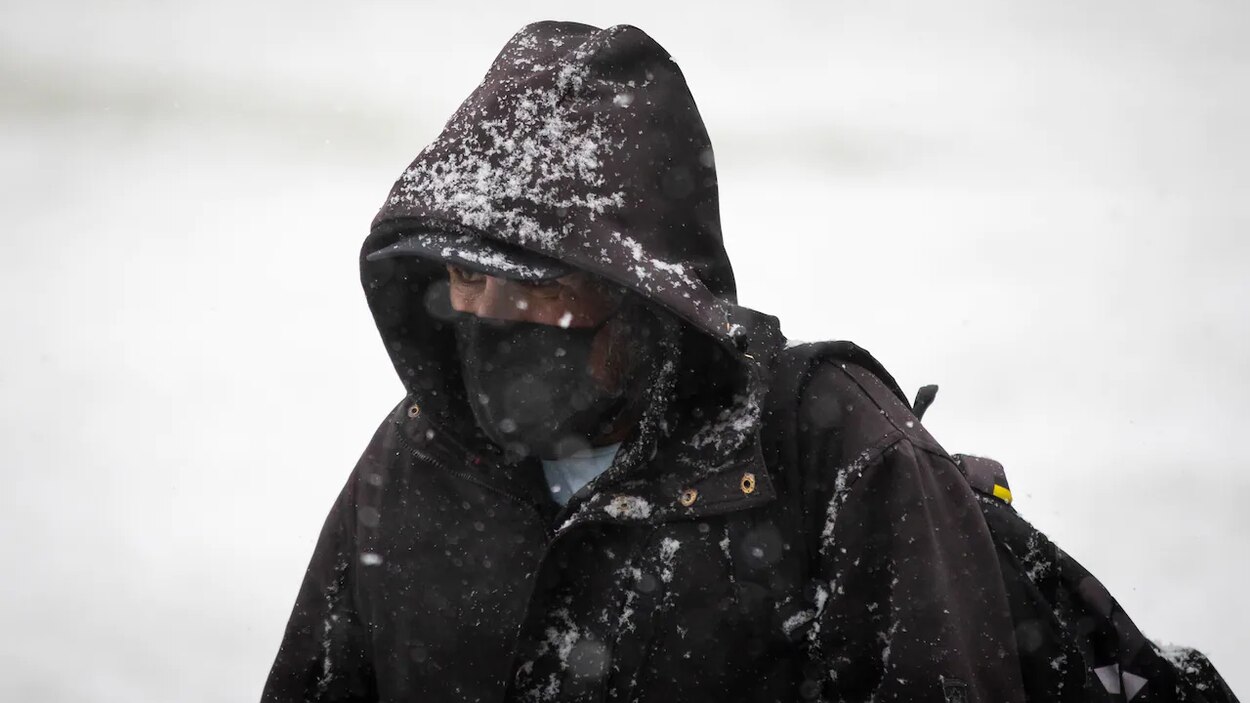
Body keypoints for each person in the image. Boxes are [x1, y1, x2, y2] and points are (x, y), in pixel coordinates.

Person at [262, 21, 1239, 703]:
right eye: (462, 286)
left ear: (638, 291)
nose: (488, 320)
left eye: (529, 289)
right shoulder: (415, 465)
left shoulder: (835, 454)